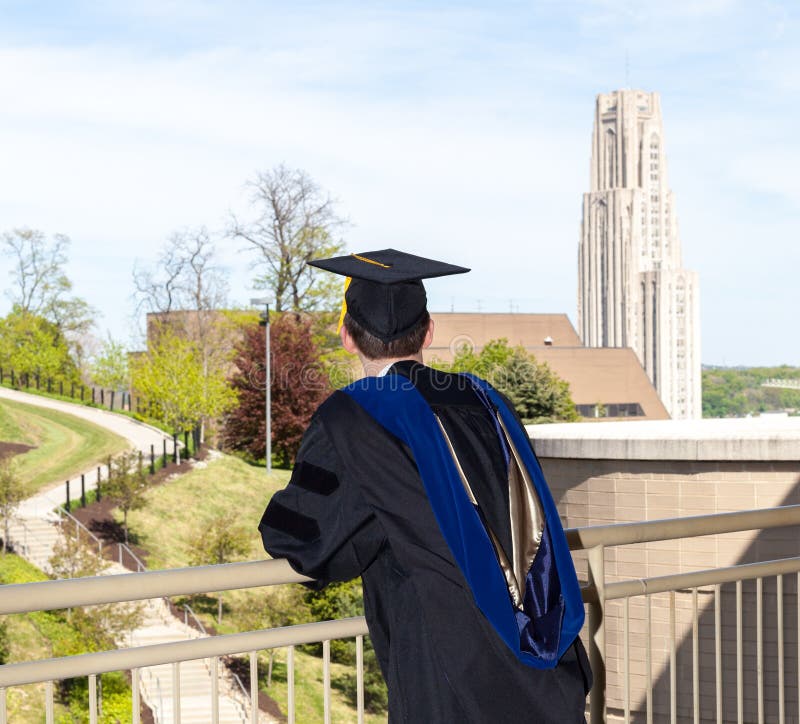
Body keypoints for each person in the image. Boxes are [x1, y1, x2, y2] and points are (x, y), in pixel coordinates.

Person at [259, 249, 592, 723]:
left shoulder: (356, 416)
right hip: (540, 662)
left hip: (446, 666)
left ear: (347, 337)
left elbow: (314, 547)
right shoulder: (485, 398)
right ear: (429, 332)